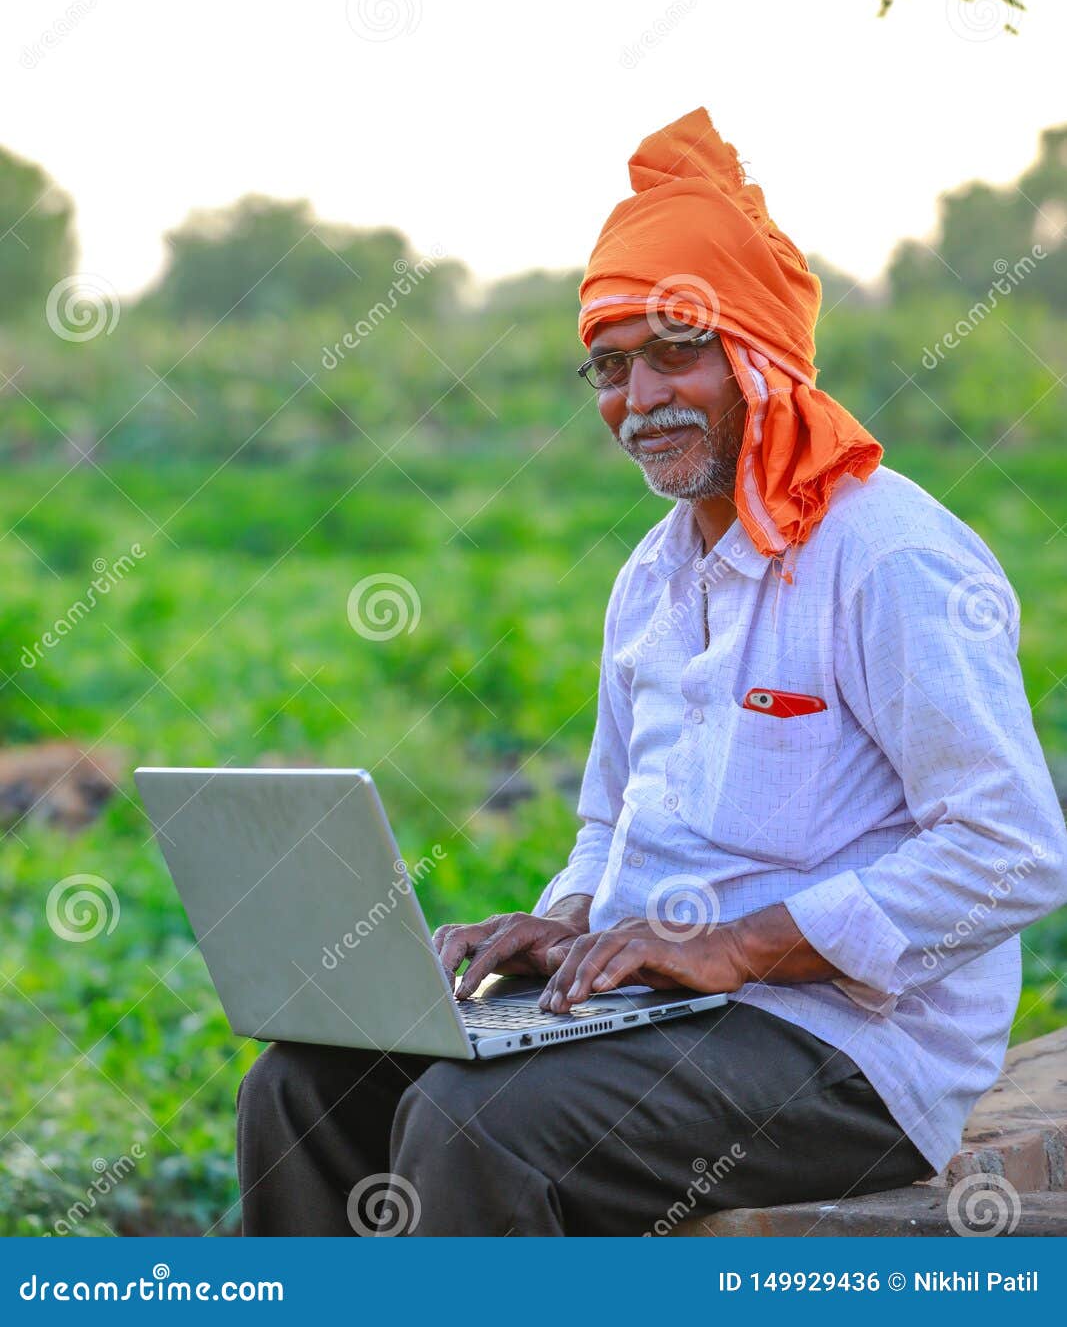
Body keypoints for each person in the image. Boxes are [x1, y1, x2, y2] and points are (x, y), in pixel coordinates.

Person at [236, 107, 1067, 1236]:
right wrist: (564, 917)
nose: (638, 399)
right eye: (610, 367)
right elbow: (607, 817)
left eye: (678, 350)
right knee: (299, 1085)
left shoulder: (890, 560)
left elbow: (1010, 852)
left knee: (475, 1124)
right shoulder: (652, 576)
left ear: (760, 356)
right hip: (652, 1007)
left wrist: (732, 944)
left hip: (844, 1046)